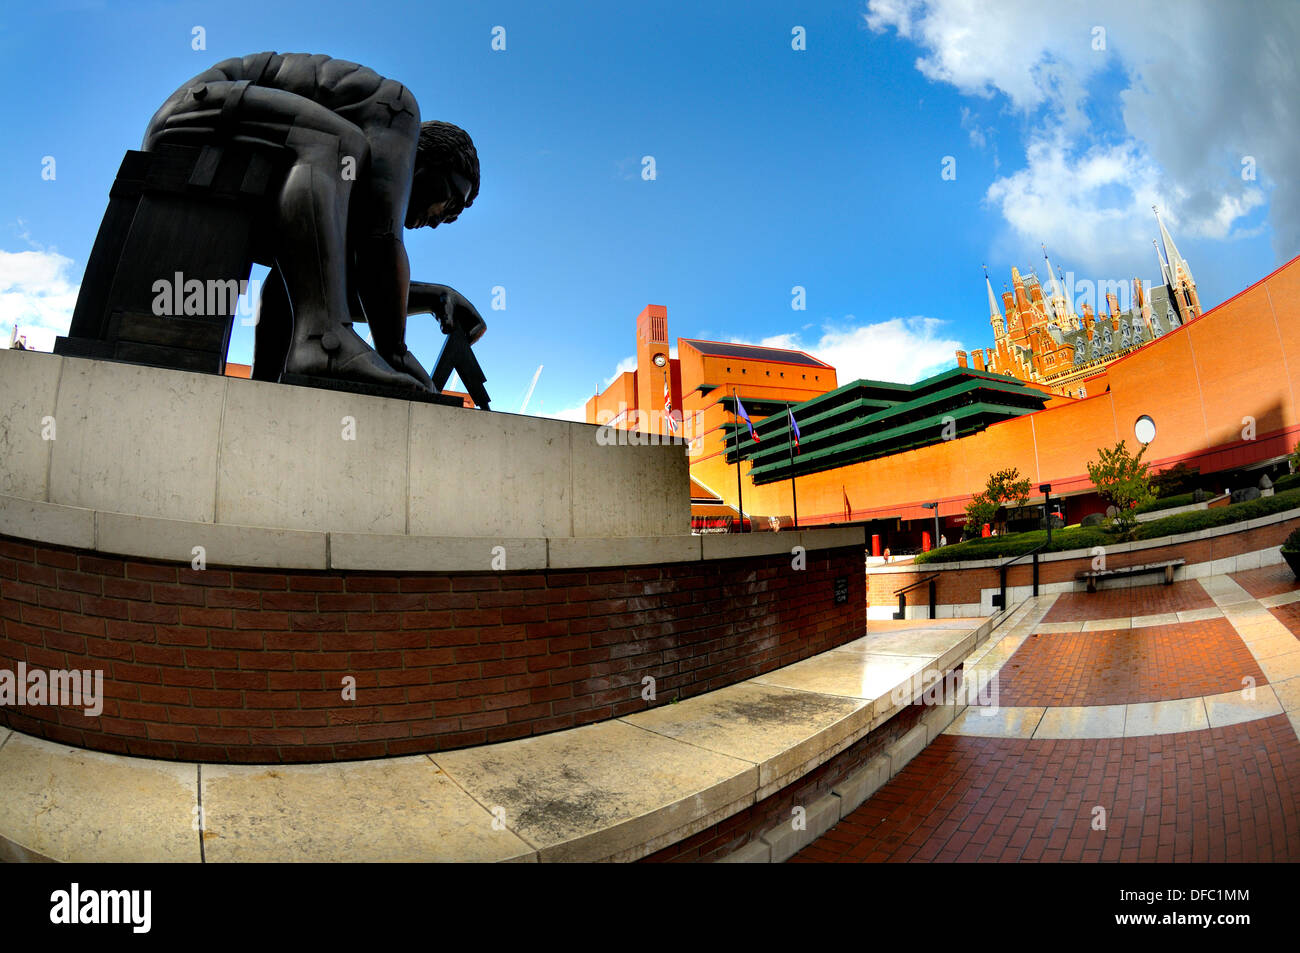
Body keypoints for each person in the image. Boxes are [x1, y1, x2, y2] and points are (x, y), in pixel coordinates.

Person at [142, 51, 483, 391]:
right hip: (201, 105)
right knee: (337, 144)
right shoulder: (400, 110)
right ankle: (323, 343)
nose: (441, 218)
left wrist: (435, 296)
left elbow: (311, 288)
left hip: (209, 121)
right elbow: (382, 241)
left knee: (308, 272)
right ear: (429, 162)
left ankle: (280, 373)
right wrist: (394, 352)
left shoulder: (333, 200)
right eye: (450, 200)